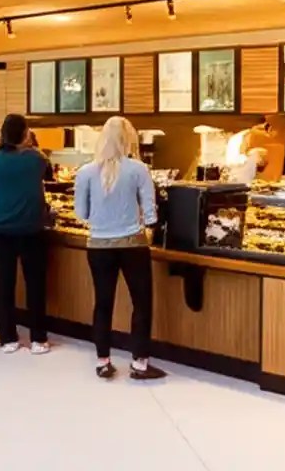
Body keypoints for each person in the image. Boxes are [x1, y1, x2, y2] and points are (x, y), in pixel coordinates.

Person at [74, 117, 166, 380]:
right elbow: (150, 212)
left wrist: (102, 216)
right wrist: (146, 225)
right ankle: (139, 363)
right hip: (133, 244)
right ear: (129, 139)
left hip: (98, 245)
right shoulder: (138, 169)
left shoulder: (86, 172)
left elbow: (81, 213)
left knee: (103, 303)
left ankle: (103, 361)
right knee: (141, 303)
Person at [0, 114, 51, 354]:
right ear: (25, 134)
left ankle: (8, 337)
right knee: (35, 285)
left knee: (4, 285)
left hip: (1, 229)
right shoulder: (35, 160)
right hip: (32, 229)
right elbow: (46, 169)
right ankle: (38, 338)